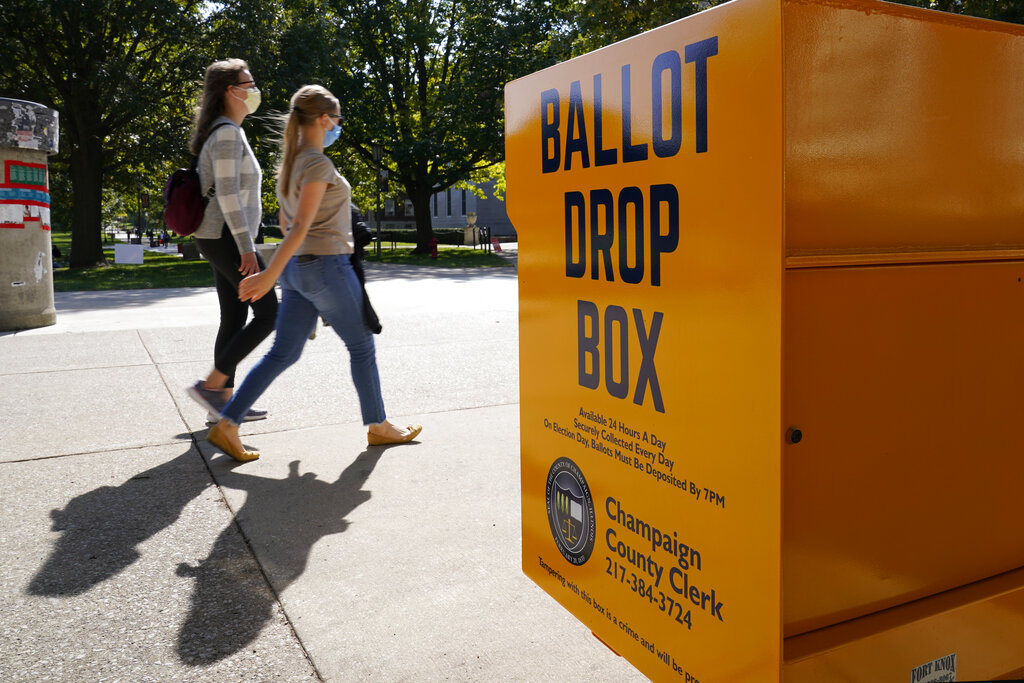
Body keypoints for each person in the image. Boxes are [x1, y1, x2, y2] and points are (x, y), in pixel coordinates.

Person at [203, 84, 421, 462]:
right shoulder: (317, 163)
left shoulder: (290, 164)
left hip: (299, 272)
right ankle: (379, 426)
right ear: (323, 119)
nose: (338, 126)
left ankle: (227, 424)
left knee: (282, 354)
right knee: (362, 346)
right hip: (327, 266)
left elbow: (288, 224)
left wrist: (279, 272)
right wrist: (268, 275)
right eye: (336, 119)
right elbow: (300, 225)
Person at [185, 59, 278, 424]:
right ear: (230, 91)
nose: (254, 89)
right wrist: (246, 247)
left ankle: (219, 405)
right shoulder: (225, 133)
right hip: (225, 236)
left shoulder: (227, 131)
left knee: (235, 315)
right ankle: (213, 387)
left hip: (219, 236)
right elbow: (227, 195)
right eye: (248, 83)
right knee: (271, 312)